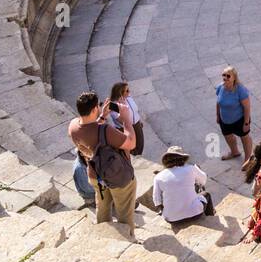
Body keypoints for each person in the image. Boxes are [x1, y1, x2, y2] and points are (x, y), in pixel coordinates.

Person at [68, 89, 137, 234]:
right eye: (97, 107)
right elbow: (131, 143)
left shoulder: (73, 126)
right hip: (117, 175)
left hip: (95, 175)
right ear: (94, 109)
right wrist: (126, 120)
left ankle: (104, 233)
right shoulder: (105, 130)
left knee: (103, 206)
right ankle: (129, 237)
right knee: (124, 211)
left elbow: (91, 134)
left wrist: (102, 117)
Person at [152, 146, 214, 224]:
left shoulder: (158, 177)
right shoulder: (191, 168)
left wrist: (165, 210)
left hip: (171, 219)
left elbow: (156, 200)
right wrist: (198, 169)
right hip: (195, 214)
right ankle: (211, 217)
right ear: (183, 159)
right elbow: (203, 181)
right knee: (206, 194)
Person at [214, 66, 252, 165]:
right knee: (228, 136)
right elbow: (218, 102)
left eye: (228, 76)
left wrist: (246, 122)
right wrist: (218, 115)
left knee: (245, 138)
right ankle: (235, 152)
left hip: (239, 120)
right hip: (224, 120)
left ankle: (248, 159)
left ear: (234, 77)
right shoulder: (220, 87)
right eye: (223, 75)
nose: (225, 77)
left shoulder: (240, 90)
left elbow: (247, 107)